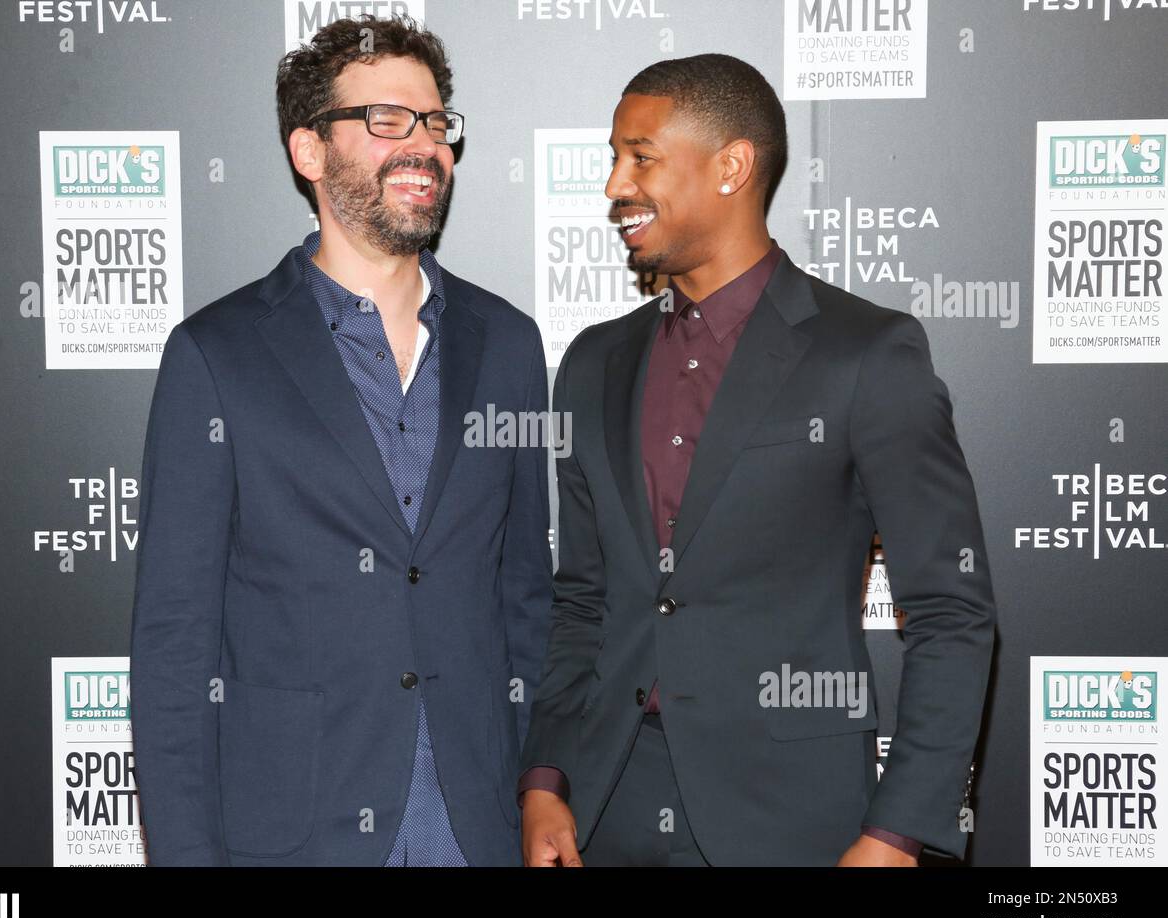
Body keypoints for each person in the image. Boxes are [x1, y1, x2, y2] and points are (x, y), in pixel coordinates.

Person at [518, 53, 996, 867]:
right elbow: (584, 600)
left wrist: (896, 834)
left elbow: (952, 612)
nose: (613, 186)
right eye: (612, 158)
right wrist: (545, 775)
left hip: (797, 820)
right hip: (607, 808)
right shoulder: (595, 363)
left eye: (640, 157)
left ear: (732, 166)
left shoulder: (868, 354)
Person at [130, 14, 551, 866]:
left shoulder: (508, 344)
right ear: (310, 152)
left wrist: (539, 790)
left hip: (474, 826)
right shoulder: (218, 354)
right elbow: (175, 645)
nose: (424, 146)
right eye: (388, 120)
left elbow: (526, 603)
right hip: (297, 829)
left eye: (436, 124)